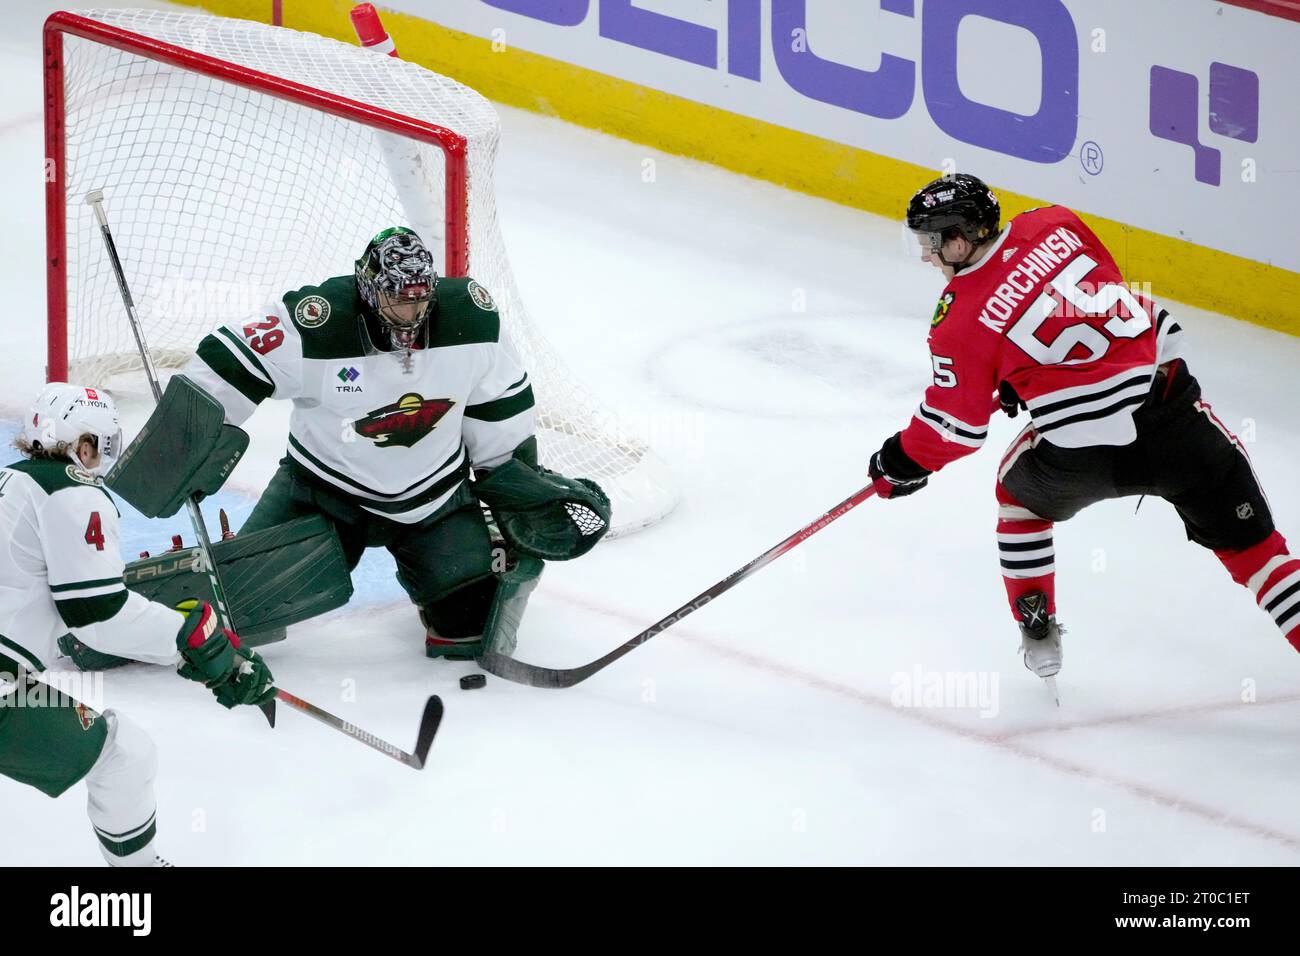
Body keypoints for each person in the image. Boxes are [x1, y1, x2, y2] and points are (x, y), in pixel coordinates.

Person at [869, 173, 1300, 682]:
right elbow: (1105, 290)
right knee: (1260, 556)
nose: (925, 256)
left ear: (959, 239)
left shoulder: (957, 320)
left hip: (1079, 454)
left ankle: (1039, 633)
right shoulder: (1055, 222)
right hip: (1171, 417)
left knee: (1020, 506)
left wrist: (900, 461)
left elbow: (956, 429)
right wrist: (1025, 367)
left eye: (930, 242)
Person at [184, 227, 606, 660]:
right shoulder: (317, 321)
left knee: (469, 621)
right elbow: (226, 362)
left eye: (420, 298)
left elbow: (499, 409)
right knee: (229, 614)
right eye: (398, 298)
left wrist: (514, 487)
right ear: (368, 290)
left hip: (433, 499)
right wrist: (183, 446)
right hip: (322, 491)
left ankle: (468, 567)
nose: (411, 312)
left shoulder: (472, 321)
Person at [0, 383, 274, 866]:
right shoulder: (69, 489)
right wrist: (196, 642)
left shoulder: (12, 482)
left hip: (8, 683)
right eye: (101, 447)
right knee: (124, 754)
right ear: (87, 445)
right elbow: (97, 616)